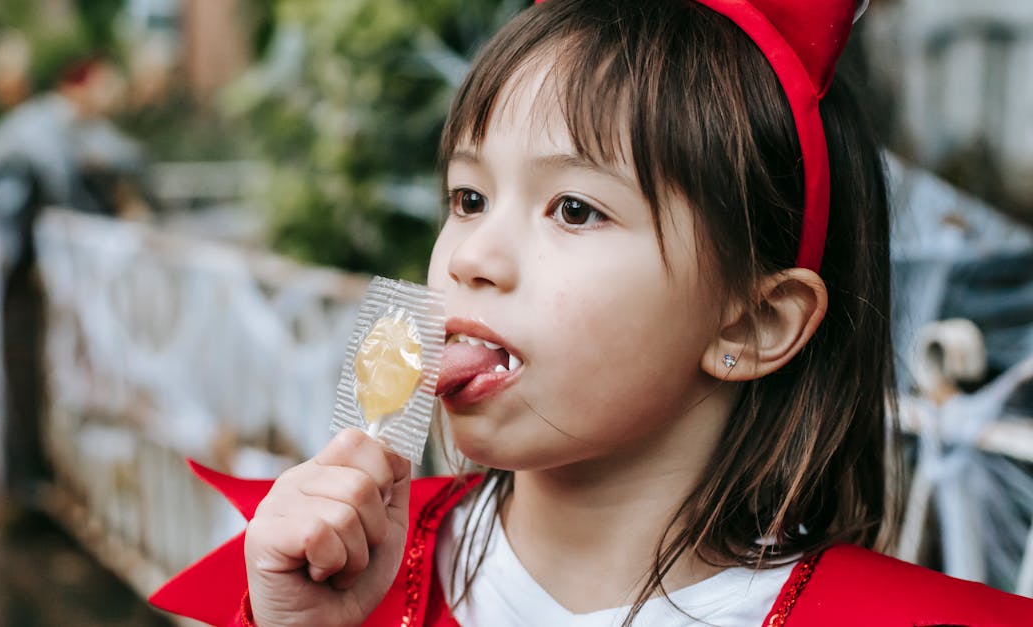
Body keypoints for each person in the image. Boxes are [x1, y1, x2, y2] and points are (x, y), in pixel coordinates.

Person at [149, 1, 1033, 625]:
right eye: (467, 197)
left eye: (574, 208)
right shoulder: (322, 579)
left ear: (752, 325)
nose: (471, 257)